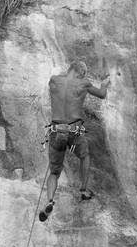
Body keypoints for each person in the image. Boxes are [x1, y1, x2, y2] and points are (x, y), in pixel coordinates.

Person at [39, 58, 110, 221]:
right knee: (84, 156)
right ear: (81, 73)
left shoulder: (54, 81)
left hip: (56, 131)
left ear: (70, 69)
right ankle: (83, 190)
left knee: (54, 172)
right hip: (73, 132)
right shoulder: (83, 83)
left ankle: (50, 200)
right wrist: (104, 83)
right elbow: (102, 94)